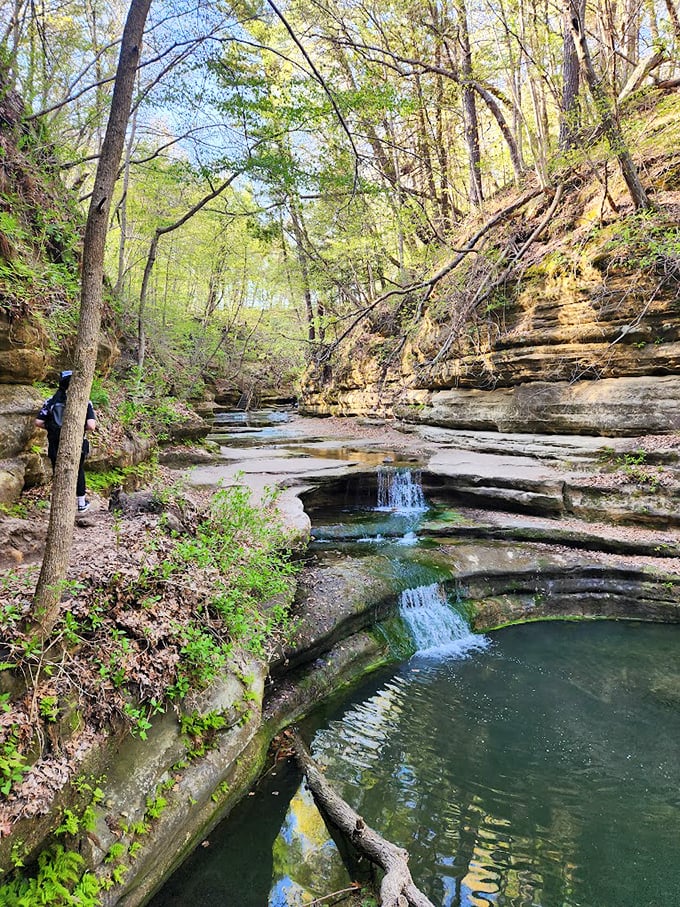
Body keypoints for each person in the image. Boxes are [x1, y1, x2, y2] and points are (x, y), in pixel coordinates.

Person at [35, 370, 97, 513]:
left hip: (54, 443)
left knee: (58, 473)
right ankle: (81, 503)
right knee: (78, 471)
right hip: (76, 444)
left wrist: (52, 428)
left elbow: (38, 422)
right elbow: (91, 426)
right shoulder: (84, 402)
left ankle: (59, 505)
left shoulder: (50, 401)